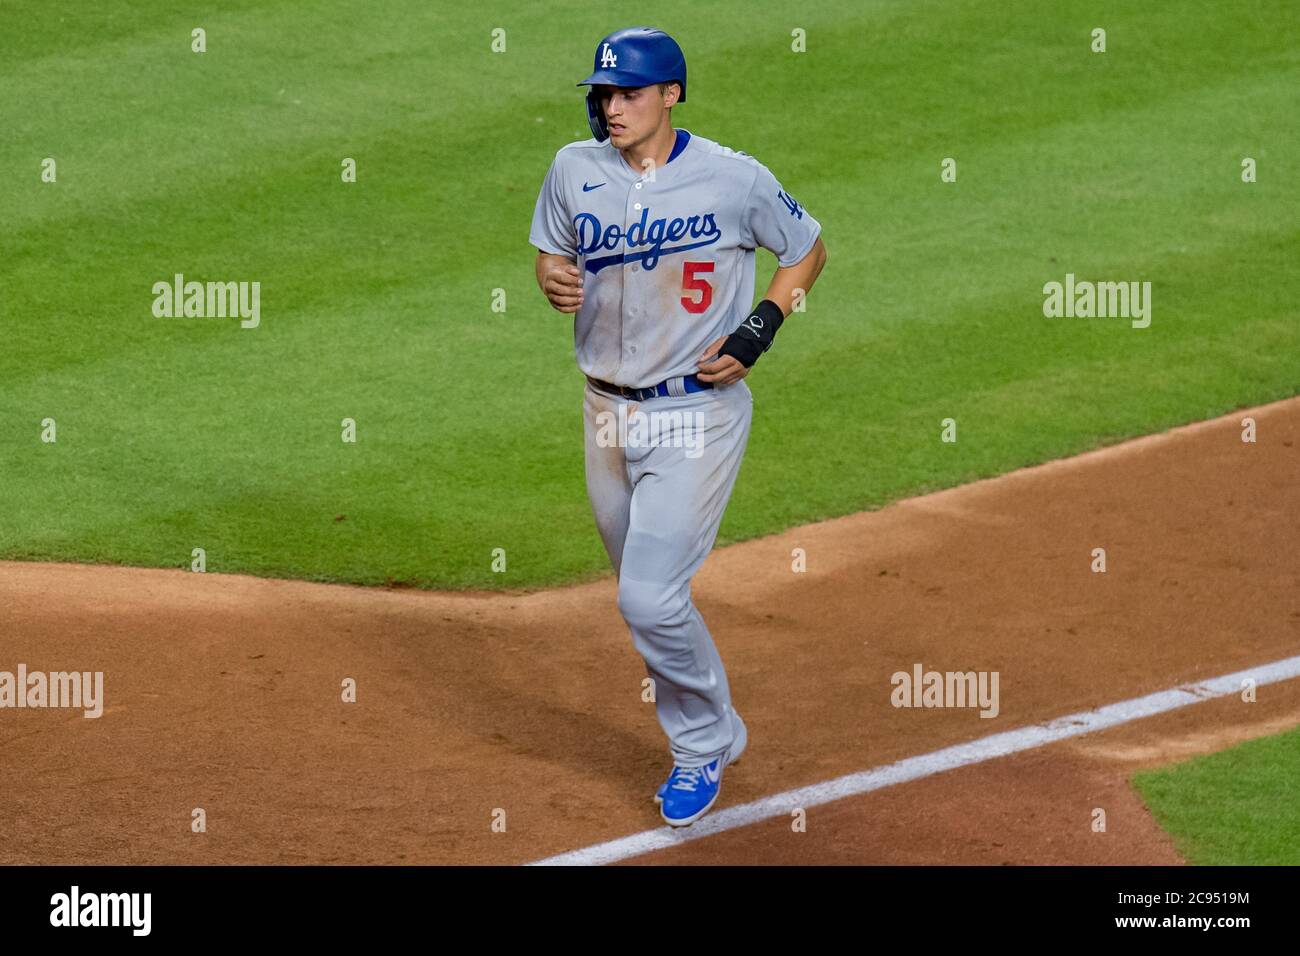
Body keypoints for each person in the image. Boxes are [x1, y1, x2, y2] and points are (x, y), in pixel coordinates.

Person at [529, 26, 827, 827]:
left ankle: (701, 747)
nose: (612, 107)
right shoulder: (572, 169)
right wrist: (552, 278)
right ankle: (714, 727)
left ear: (672, 94)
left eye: (628, 92)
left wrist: (760, 328)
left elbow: (807, 250)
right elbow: (551, 256)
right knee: (645, 595)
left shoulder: (734, 179)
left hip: (694, 412)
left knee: (651, 599)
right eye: (604, 93)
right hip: (603, 413)